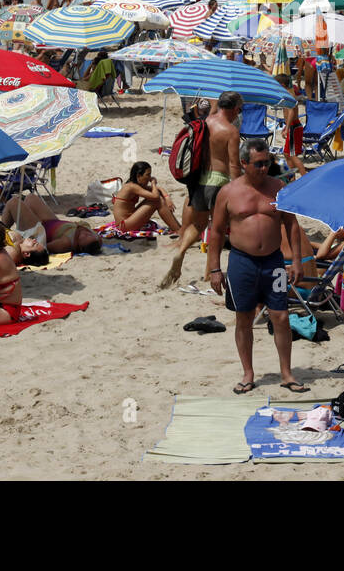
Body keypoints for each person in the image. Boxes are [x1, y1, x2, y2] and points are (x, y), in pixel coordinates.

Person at [207, 139, 307, 395]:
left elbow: (291, 225)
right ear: (244, 163)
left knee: (281, 316)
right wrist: (215, 268)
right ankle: (248, 373)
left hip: (274, 262)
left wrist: (295, 261)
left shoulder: (279, 188)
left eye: (268, 163)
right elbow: (216, 231)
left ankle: (286, 373)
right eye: (259, 164)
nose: (264, 168)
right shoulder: (228, 192)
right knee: (244, 318)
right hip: (242, 262)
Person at [160, 91, 243, 289]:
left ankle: (181, 251)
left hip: (199, 180)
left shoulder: (205, 123)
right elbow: (233, 165)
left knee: (198, 226)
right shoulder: (231, 131)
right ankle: (209, 273)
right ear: (233, 109)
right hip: (219, 181)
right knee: (217, 228)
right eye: (239, 109)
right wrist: (240, 187)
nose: (239, 113)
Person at [0, 193, 101, 256]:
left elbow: (44, 247)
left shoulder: (65, 243)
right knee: (30, 197)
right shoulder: (96, 239)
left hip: (40, 230)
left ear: (80, 247)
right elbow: (97, 240)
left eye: (85, 237)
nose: (87, 233)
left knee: (13, 203)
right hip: (52, 221)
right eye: (90, 234)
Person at [111, 161, 180, 232]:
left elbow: (158, 189)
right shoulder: (132, 187)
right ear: (138, 176)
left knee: (157, 199)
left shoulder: (135, 184)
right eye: (148, 175)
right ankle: (178, 230)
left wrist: (167, 197)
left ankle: (178, 228)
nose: (150, 178)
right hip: (123, 225)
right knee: (158, 201)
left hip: (129, 219)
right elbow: (155, 196)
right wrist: (153, 183)